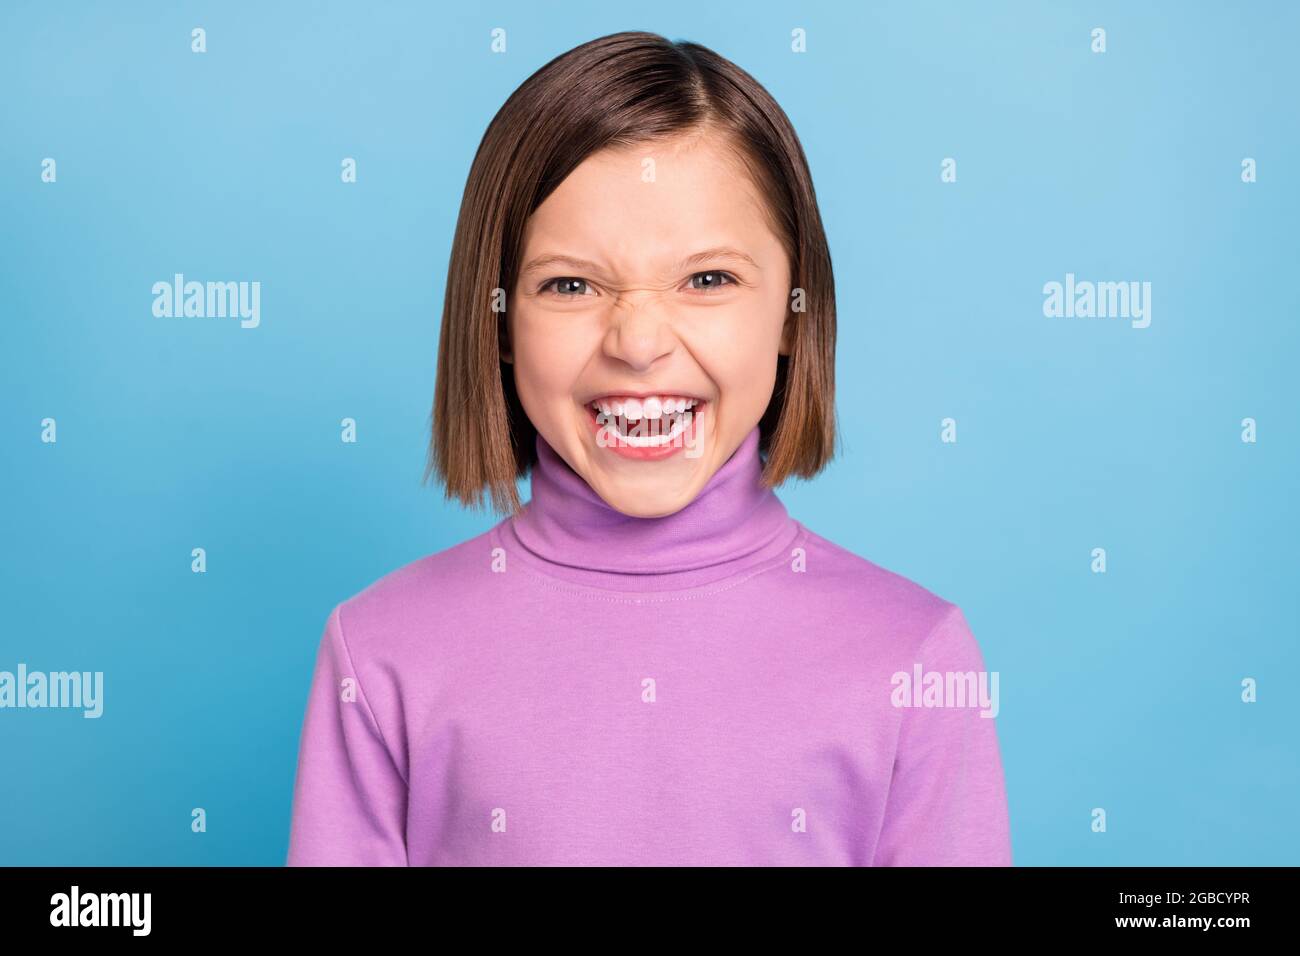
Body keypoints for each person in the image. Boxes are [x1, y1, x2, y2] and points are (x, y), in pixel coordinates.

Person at [286, 30, 1012, 866]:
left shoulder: (918, 658)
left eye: (707, 280)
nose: (637, 342)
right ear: (500, 326)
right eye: (570, 284)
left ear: (793, 312)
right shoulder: (378, 651)